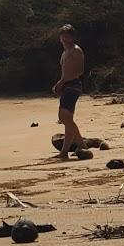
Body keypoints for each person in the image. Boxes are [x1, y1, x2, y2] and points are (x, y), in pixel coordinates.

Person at [52, 24, 86, 159]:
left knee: (64, 118)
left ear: (72, 37)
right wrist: (60, 83)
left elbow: (80, 71)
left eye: (68, 36)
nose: (65, 39)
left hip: (73, 85)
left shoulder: (76, 50)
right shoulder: (64, 52)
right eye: (63, 36)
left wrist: (62, 82)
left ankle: (81, 144)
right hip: (66, 85)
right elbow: (64, 72)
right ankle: (64, 151)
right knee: (66, 119)